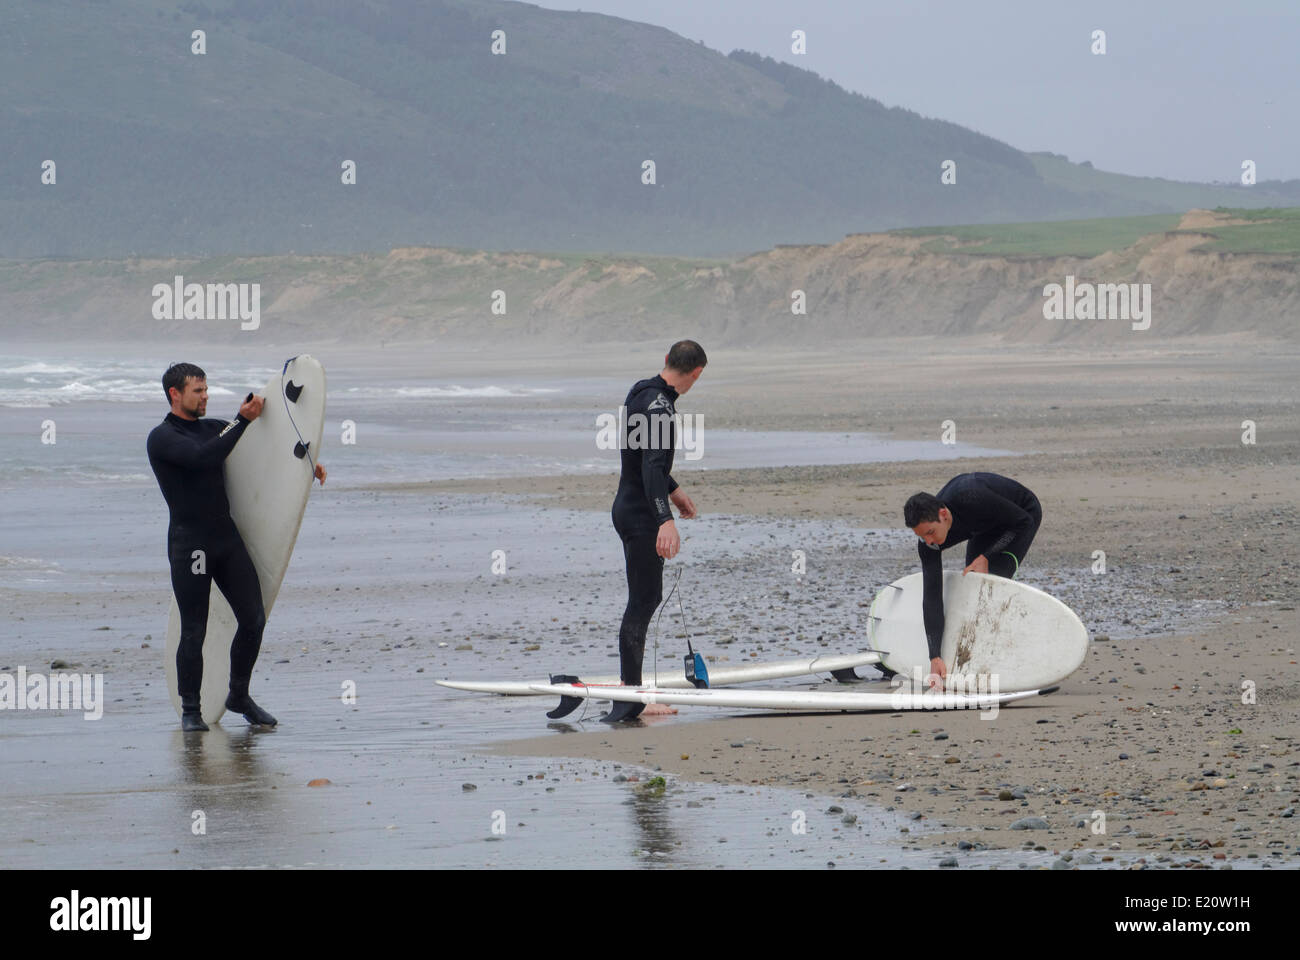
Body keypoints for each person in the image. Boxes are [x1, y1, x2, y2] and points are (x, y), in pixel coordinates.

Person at [147, 362, 326, 731]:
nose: (205, 396)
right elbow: (204, 458)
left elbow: (255, 452)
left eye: (206, 389)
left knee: (254, 618)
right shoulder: (162, 438)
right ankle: (191, 711)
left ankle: (239, 695)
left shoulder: (213, 428)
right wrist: (241, 421)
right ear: (175, 395)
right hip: (191, 547)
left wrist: (306, 465)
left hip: (225, 539)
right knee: (194, 629)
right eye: (198, 391)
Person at [605, 340, 707, 722]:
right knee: (643, 601)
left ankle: (630, 692)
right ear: (696, 374)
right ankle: (631, 700)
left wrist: (674, 488)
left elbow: (643, 459)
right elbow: (651, 467)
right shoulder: (661, 409)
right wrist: (665, 519)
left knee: (643, 599)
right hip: (642, 514)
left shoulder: (641, 391)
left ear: (666, 361)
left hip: (626, 506)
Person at [902, 472, 1041, 688]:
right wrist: (934, 656)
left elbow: (1024, 521)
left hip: (1020, 516)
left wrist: (986, 556)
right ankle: (976, 655)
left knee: (991, 585)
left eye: (930, 532)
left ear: (943, 514)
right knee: (974, 588)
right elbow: (932, 596)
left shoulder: (971, 497)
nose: (928, 541)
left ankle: (1013, 655)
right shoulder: (928, 542)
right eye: (922, 536)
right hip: (983, 527)